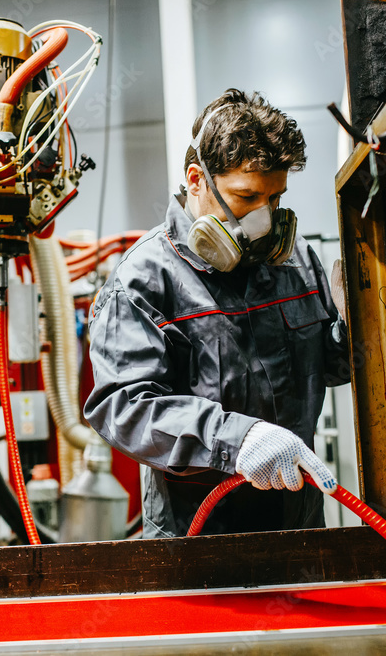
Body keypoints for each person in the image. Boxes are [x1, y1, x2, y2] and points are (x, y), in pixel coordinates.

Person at [84, 89, 350, 538]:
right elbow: (123, 407)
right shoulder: (143, 279)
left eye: (275, 198)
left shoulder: (295, 260)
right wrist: (237, 439)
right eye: (246, 197)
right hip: (198, 532)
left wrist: (355, 329)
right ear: (196, 180)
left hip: (297, 523)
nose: (264, 220)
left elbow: (328, 365)